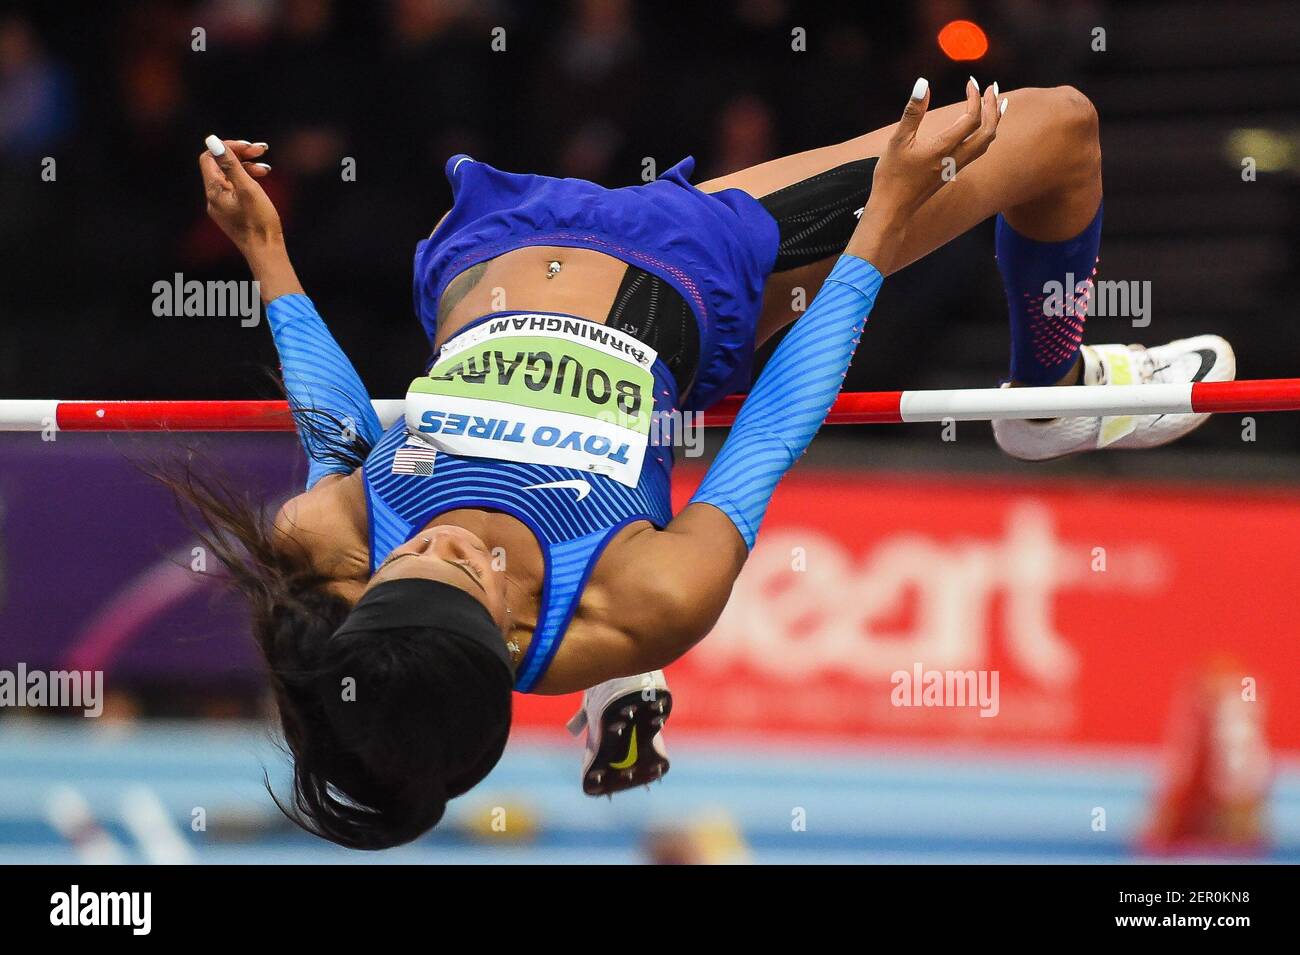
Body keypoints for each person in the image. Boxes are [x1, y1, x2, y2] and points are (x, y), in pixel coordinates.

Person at [183, 77, 1232, 849]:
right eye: (462, 568)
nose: (443, 538)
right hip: (689, 273)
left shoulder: (331, 548)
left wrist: (268, 255)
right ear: (509, 635)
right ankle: (1044, 399)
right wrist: (881, 222)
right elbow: (774, 425)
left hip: (488, 247)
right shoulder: (652, 589)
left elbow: (337, 436)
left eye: (411, 556)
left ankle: (618, 704)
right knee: (1056, 129)